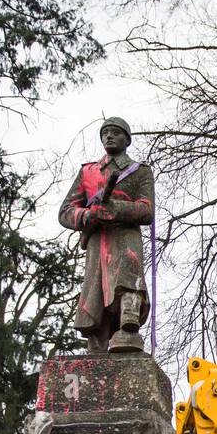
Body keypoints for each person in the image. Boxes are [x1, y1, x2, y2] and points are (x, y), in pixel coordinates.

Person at [57, 115, 155, 353]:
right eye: (105, 132)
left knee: (127, 277)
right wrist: (87, 216)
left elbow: (147, 210)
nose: (109, 136)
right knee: (96, 291)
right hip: (97, 243)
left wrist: (116, 208)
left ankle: (128, 329)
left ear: (127, 139)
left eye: (115, 132)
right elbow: (65, 212)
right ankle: (98, 342)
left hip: (126, 238)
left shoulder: (139, 172)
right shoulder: (88, 172)